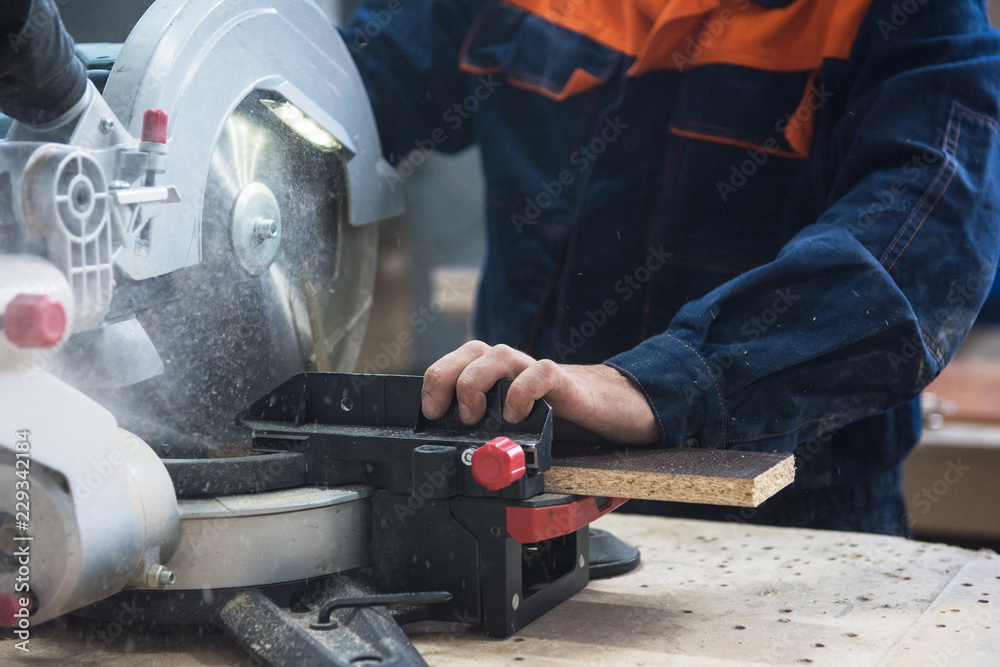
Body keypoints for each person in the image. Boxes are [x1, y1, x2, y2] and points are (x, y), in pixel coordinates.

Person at [341, 0, 1000, 535]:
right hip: (517, 488)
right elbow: (332, 96)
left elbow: (922, 247)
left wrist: (665, 383)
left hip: (786, 521)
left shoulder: (902, 13)